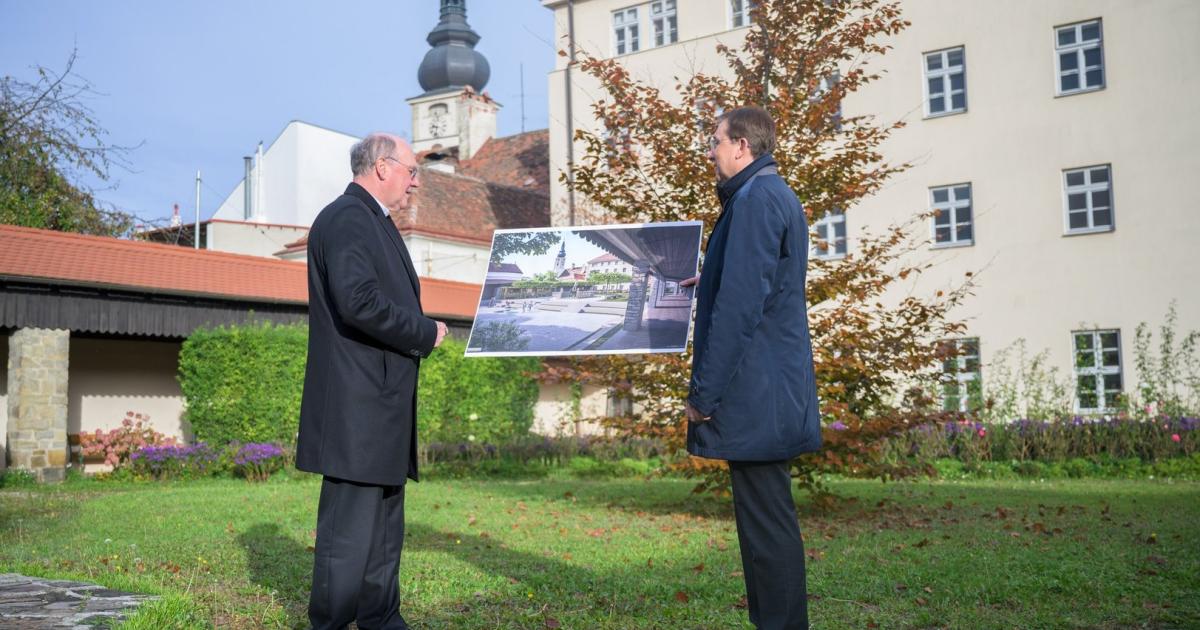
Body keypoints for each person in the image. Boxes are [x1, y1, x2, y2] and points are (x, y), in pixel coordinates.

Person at [296, 132, 448, 630]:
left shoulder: (373, 221)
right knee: (348, 537)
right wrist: (425, 333)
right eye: (410, 170)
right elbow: (358, 302)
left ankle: (382, 620)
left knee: (383, 530)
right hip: (356, 406)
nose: (415, 181)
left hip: (380, 405)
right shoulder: (346, 218)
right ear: (382, 167)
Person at [683, 106, 822, 629]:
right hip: (768, 388)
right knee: (767, 525)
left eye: (715, 141)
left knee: (767, 529)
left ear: (741, 145)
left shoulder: (756, 199)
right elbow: (755, 284)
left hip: (757, 393)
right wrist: (710, 276)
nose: (711, 151)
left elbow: (742, 307)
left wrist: (704, 396)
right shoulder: (766, 193)